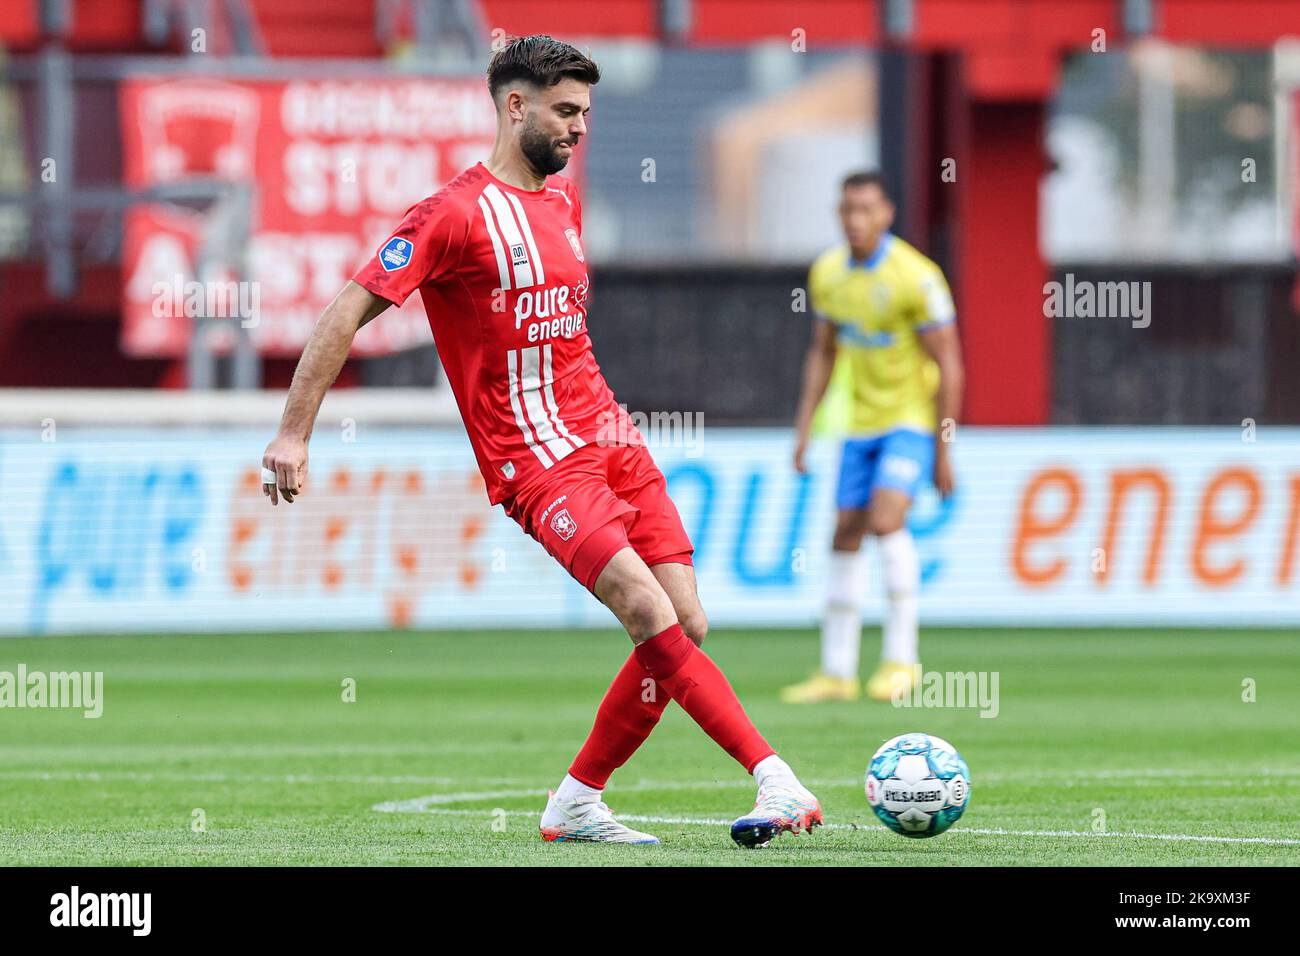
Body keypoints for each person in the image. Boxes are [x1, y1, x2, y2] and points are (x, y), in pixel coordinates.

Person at [260, 35, 820, 848]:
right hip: (537, 463)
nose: (578, 128)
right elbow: (347, 309)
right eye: (564, 111)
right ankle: (774, 776)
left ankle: (578, 801)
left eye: (586, 113)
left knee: (685, 624)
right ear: (514, 105)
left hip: (611, 438)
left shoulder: (561, 205)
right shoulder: (450, 216)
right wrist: (292, 433)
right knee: (644, 607)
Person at [784, 171, 964, 704]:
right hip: (858, 424)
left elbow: (950, 364)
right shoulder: (829, 274)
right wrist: (805, 428)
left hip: (908, 419)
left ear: (886, 214)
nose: (855, 220)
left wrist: (944, 447)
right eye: (847, 210)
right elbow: (823, 352)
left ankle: (901, 662)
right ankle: (837, 672)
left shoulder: (917, 277)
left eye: (865, 210)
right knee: (844, 532)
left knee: (887, 520)